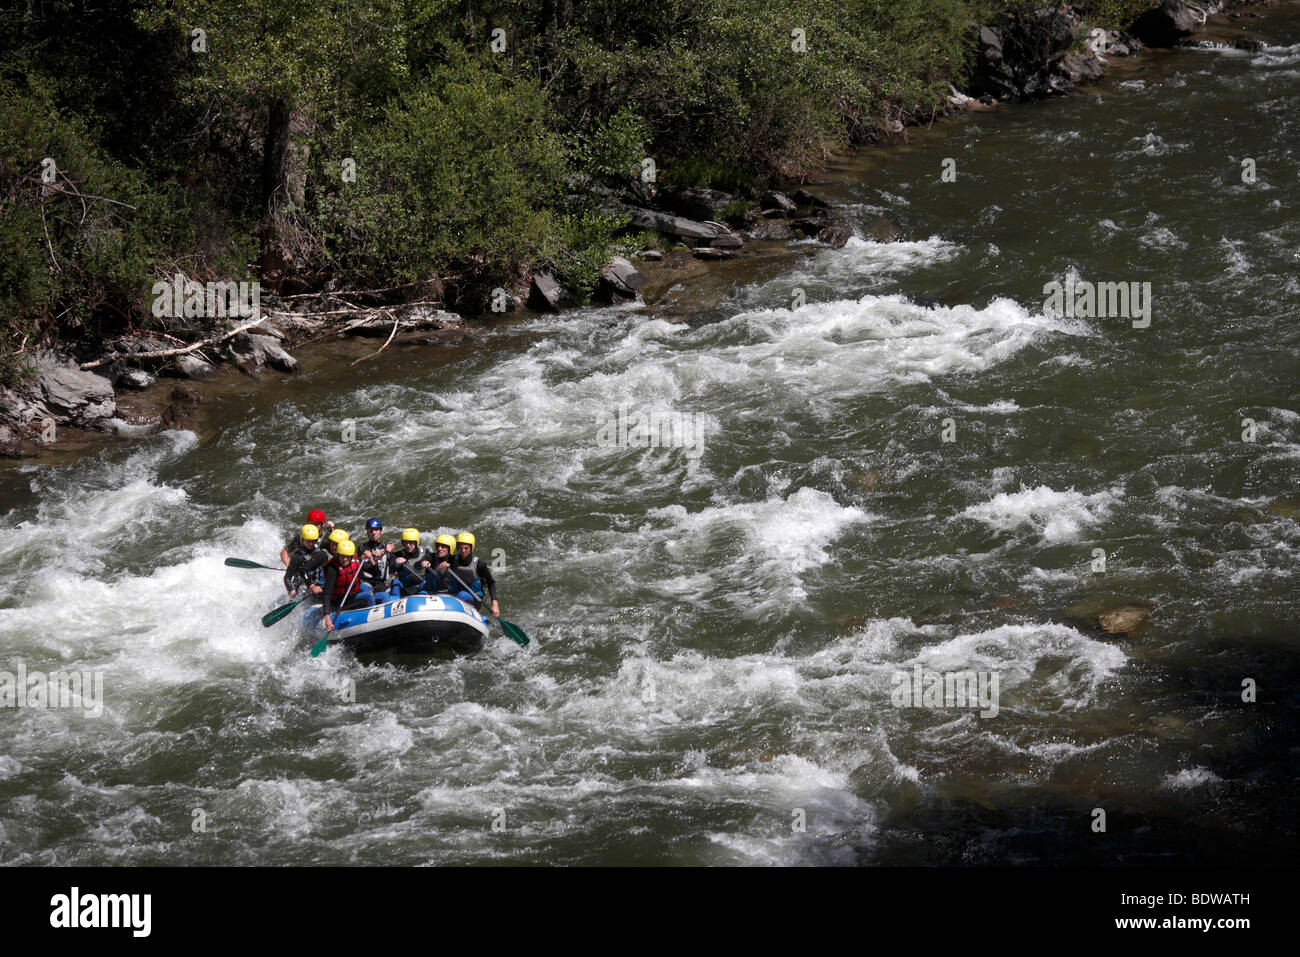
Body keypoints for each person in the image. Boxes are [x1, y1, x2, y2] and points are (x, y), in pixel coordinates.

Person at [321, 539, 374, 632]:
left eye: (347, 557)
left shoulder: (356, 560)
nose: (345, 559)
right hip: (339, 600)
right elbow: (327, 593)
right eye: (342, 556)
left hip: (351, 594)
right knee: (368, 596)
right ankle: (374, 619)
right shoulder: (332, 569)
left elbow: (370, 568)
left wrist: (371, 558)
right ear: (337, 555)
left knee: (369, 588)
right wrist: (326, 617)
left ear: (351, 556)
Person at [447, 531, 500, 617]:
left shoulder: (480, 565)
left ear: (471, 548)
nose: (463, 551)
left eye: (466, 548)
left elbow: (491, 582)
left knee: (462, 595)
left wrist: (495, 604)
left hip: (474, 599)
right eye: (460, 548)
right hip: (455, 596)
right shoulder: (452, 560)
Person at [283, 524, 328, 598]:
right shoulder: (296, 557)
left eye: (313, 541)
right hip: (302, 587)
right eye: (308, 541)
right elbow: (287, 578)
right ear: (302, 540)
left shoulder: (320, 554)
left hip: (317, 587)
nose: (311, 544)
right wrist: (291, 590)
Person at [389, 527, 432, 598]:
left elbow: (430, 560)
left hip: (420, 587)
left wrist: (426, 562)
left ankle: (422, 597)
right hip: (404, 588)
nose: (408, 545)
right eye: (405, 542)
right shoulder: (399, 554)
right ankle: (394, 600)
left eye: (411, 542)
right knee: (395, 583)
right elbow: (390, 567)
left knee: (427, 585)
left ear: (416, 542)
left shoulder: (425, 553)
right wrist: (395, 561)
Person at [359, 517, 394, 599]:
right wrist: (381, 553)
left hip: (381, 583)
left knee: (386, 595)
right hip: (366, 581)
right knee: (366, 593)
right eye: (371, 530)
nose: (373, 533)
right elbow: (365, 566)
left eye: (376, 530)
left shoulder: (387, 549)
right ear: (367, 532)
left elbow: (393, 567)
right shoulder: (362, 548)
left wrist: (398, 560)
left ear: (380, 531)